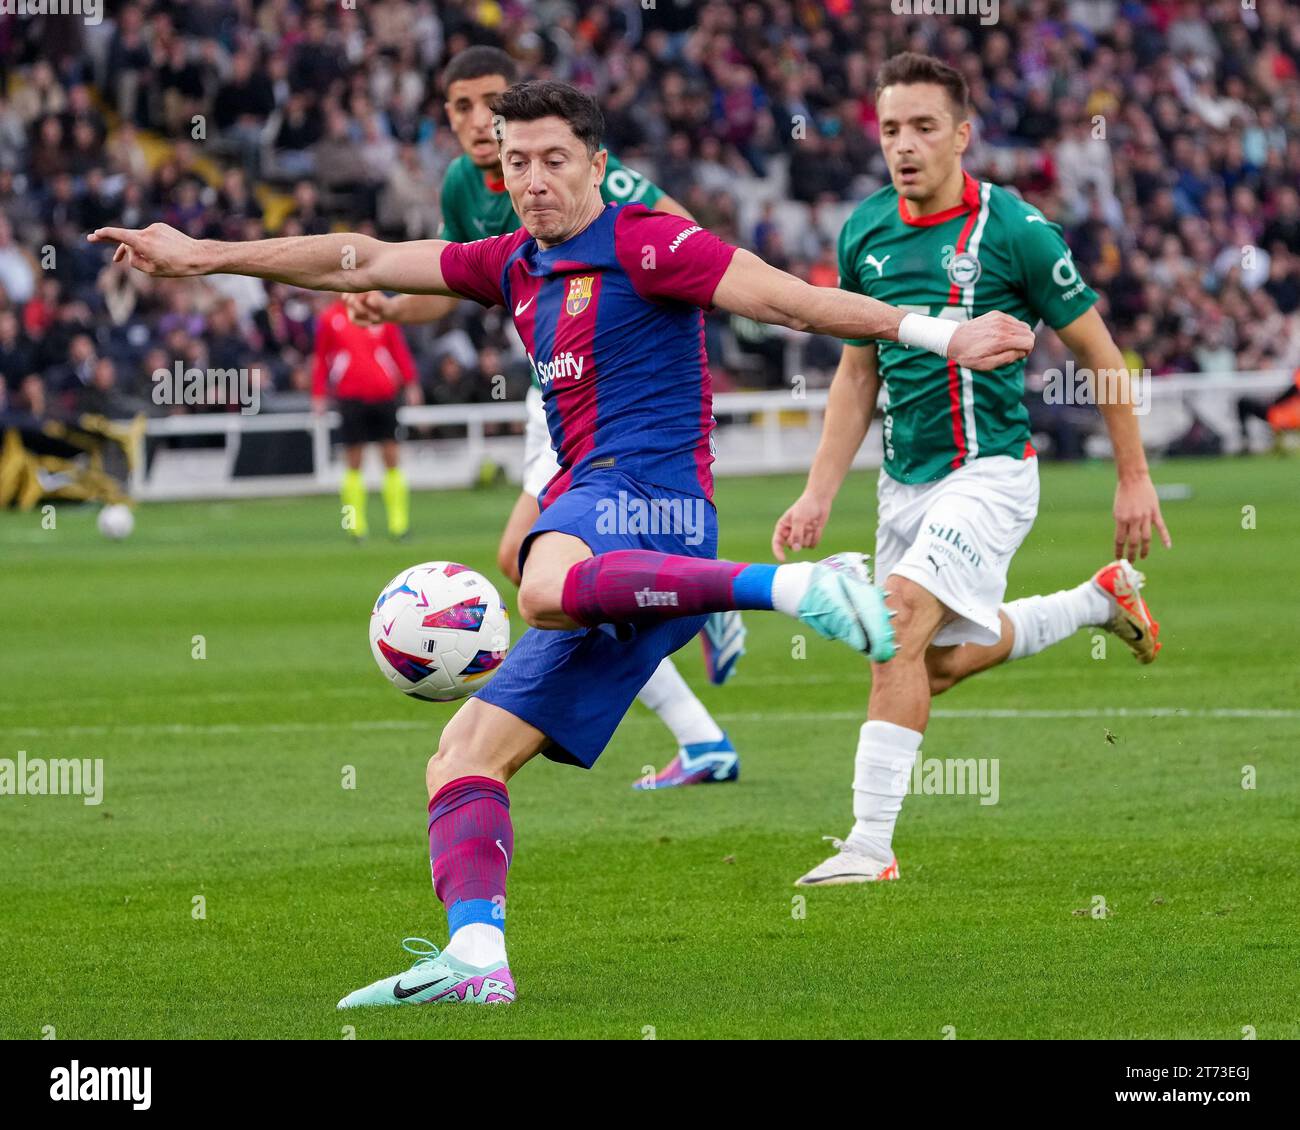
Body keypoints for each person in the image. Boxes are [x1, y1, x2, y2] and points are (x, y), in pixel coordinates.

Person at [90, 79, 1034, 1007]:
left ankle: (786, 590)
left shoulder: (648, 241)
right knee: (463, 753)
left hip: (654, 505)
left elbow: (790, 301)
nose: (534, 180)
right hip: (606, 533)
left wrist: (937, 335)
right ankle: (476, 958)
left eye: (553, 160)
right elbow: (360, 260)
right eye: (517, 163)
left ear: (597, 165)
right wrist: (203, 255)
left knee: (538, 585)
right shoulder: (511, 262)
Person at [770, 54, 1172, 888]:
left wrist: (1133, 476)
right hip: (903, 484)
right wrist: (817, 492)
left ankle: (869, 848)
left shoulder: (1015, 230)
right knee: (935, 666)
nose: (904, 145)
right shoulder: (864, 231)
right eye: (891, 129)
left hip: (988, 473)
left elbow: (1099, 354)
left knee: (893, 625)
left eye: (923, 127)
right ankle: (1095, 601)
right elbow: (857, 373)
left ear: (962, 135)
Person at [347, 46, 747, 788]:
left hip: (612, 385)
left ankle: (696, 598)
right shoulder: (466, 185)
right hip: (552, 385)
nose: (478, 120)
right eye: (462, 107)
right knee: (534, 568)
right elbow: (457, 285)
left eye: (490, 102)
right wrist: (395, 309)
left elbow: (683, 237)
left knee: (532, 566)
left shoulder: (582, 175)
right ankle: (693, 670)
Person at [310, 295, 421, 540]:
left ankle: (399, 525)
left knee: (391, 458)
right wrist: (318, 393)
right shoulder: (331, 318)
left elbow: (397, 349)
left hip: (384, 394)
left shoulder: (380, 311)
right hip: (351, 396)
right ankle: (355, 525)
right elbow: (321, 358)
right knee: (353, 461)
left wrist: (410, 381)